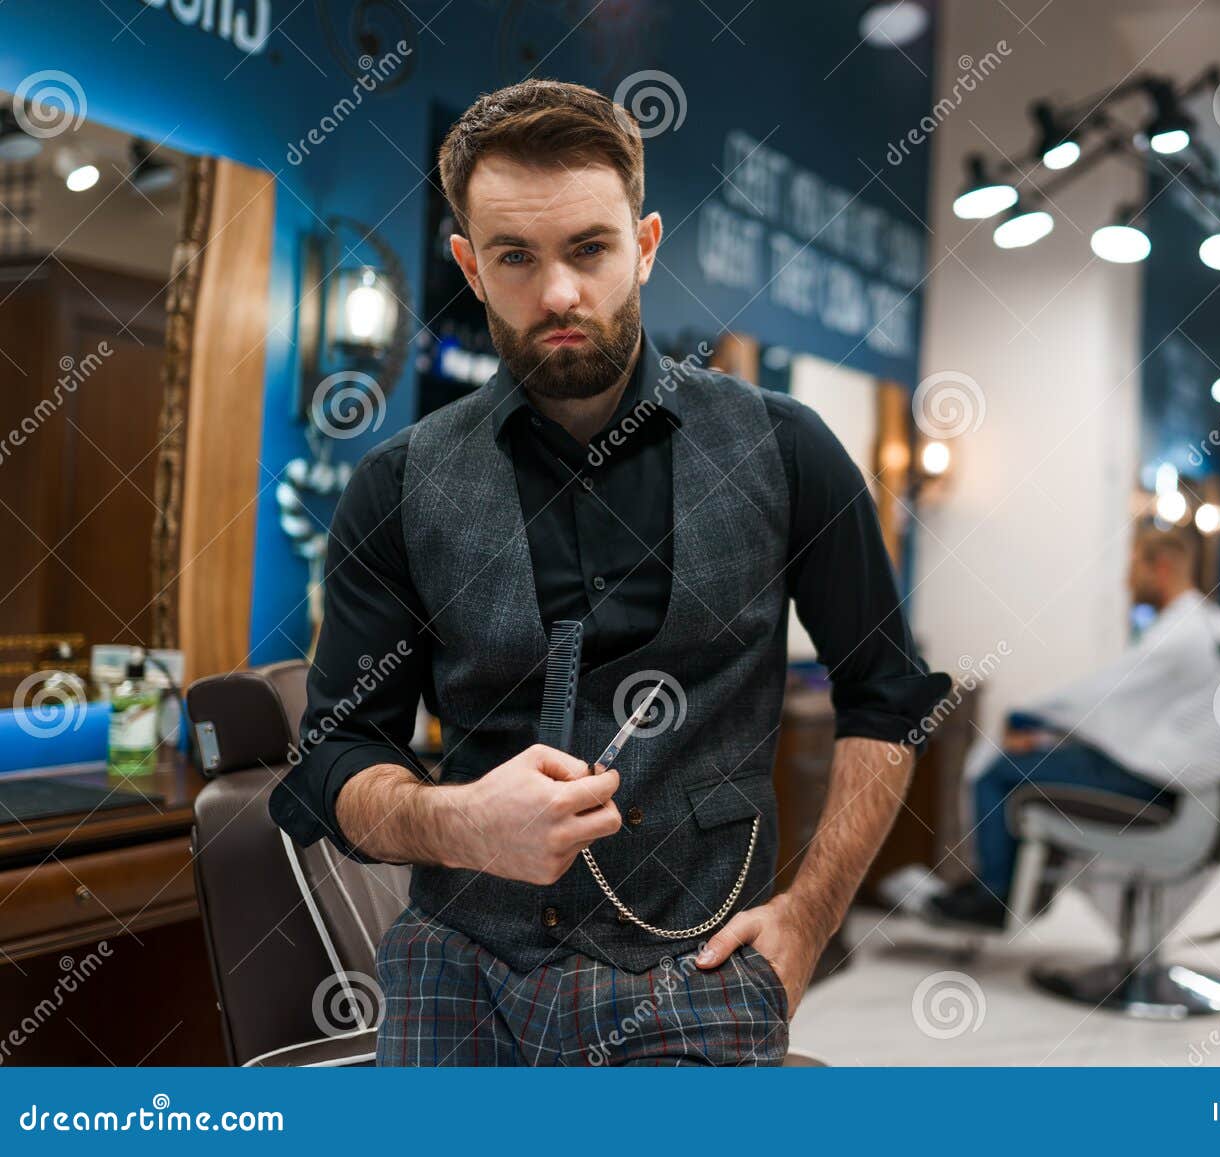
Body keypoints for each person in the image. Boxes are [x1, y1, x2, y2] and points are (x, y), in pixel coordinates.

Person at [268, 78, 949, 1067]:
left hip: (695, 970)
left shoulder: (786, 450)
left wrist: (809, 917)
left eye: (589, 248)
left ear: (646, 244)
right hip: (456, 966)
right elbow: (334, 756)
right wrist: (460, 823)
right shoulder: (398, 484)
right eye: (515, 256)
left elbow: (889, 699)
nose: (557, 294)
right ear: (470, 265)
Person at [929, 528, 1220, 930]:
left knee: (998, 768)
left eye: (1133, 567)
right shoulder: (1203, 624)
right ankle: (1010, 892)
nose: (1126, 581)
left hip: (1151, 783)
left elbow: (1107, 696)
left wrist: (1030, 717)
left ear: (1161, 568)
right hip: (1166, 775)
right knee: (1032, 757)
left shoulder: (1181, 634)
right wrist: (1055, 730)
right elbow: (1128, 706)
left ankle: (993, 899)